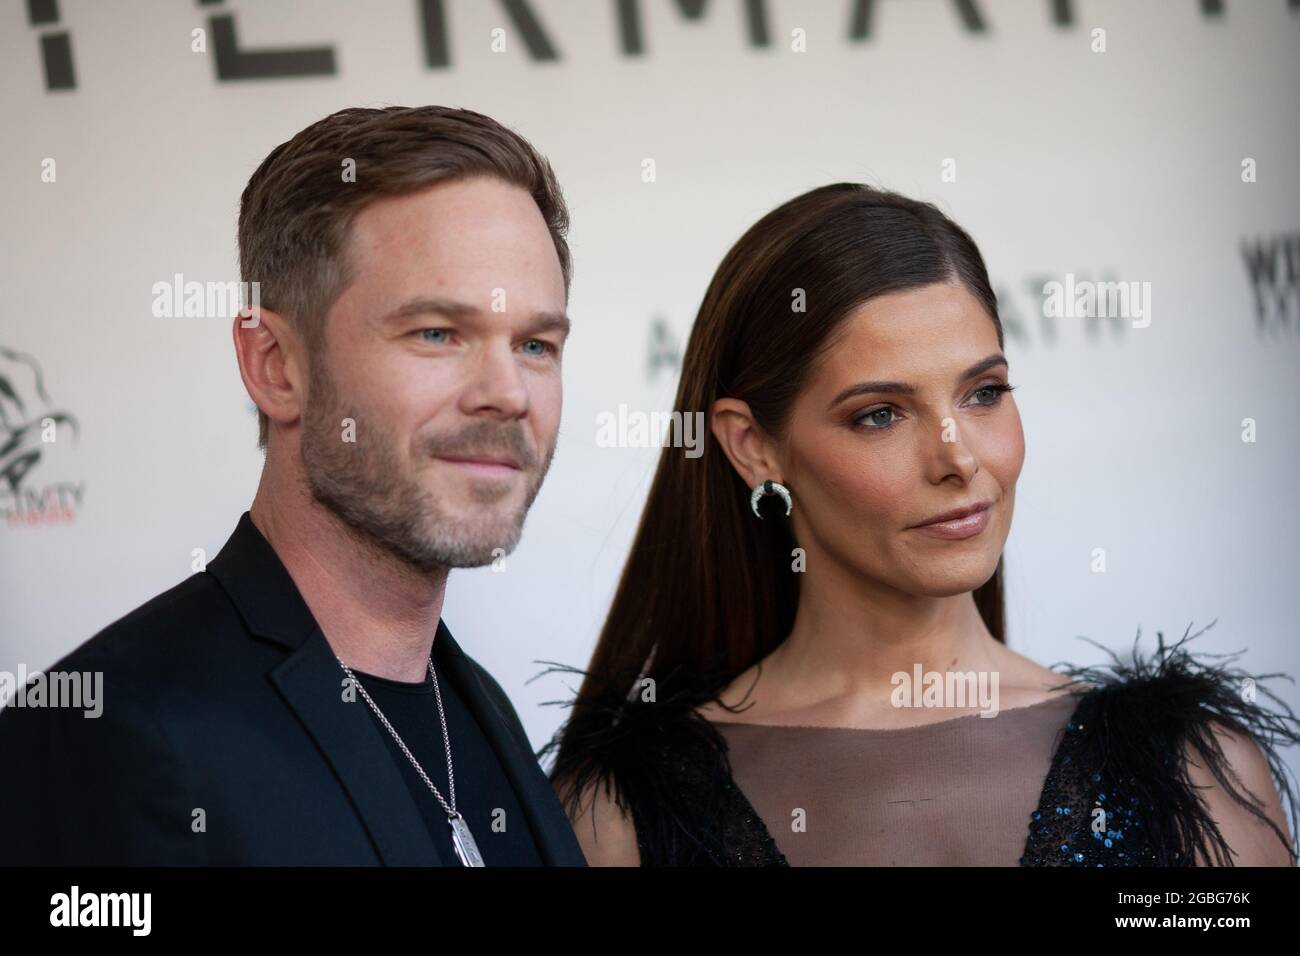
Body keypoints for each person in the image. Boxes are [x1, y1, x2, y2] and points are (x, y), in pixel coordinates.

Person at [539, 183, 1300, 867]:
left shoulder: (1194, 773)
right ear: (753, 445)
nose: (957, 459)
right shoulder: (621, 818)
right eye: (880, 415)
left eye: (984, 394)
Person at [0, 105, 586, 866]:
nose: (507, 393)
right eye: (437, 332)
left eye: (536, 344)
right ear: (276, 366)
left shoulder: (481, 709)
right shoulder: (106, 734)